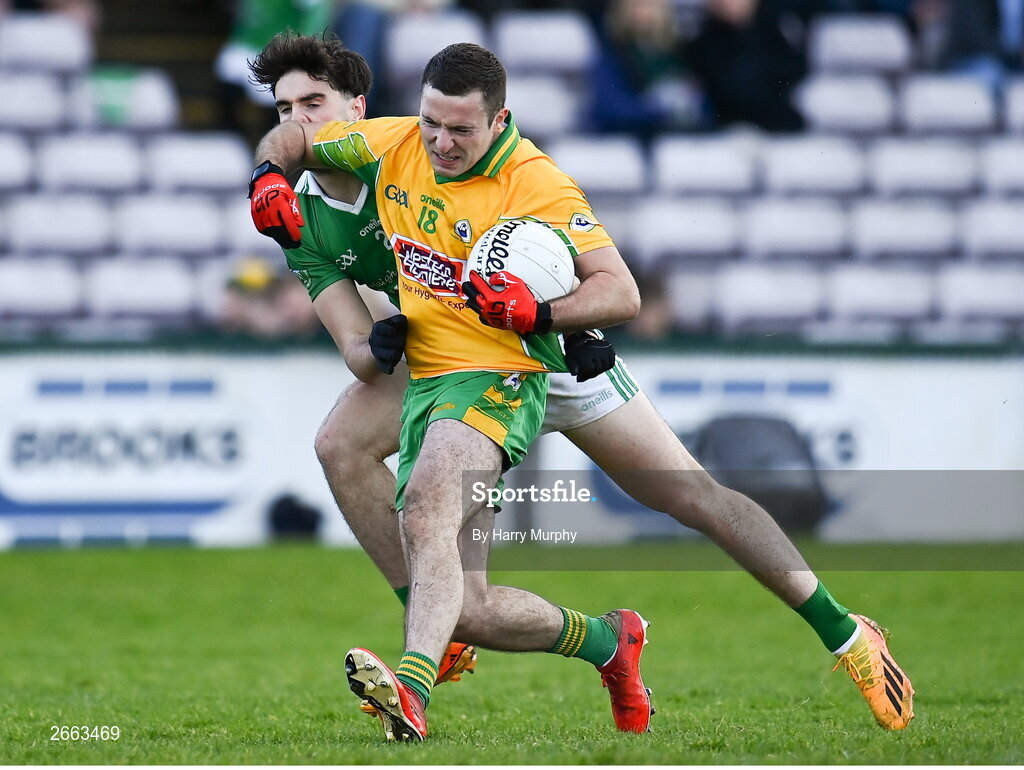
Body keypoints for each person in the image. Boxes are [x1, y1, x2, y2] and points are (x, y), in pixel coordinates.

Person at [247, 36, 915, 740]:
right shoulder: (372, 152)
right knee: (346, 453)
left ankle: (846, 633)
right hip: (454, 363)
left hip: (557, 353)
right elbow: (288, 149)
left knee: (694, 497)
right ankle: (457, 630)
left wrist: (552, 312)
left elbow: (616, 288)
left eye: (313, 104)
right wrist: (264, 171)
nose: (440, 142)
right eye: (431, 124)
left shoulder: (530, 179)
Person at [249, 34, 653, 742]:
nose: (299, 123)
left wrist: (574, 326)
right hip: (431, 364)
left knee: (682, 493)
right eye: (284, 108)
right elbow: (353, 346)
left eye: (314, 103)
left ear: (358, 110)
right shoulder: (301, 215)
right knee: (459, 588)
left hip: (511, 355)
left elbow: (530, 243)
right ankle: (601, 641)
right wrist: (370, 348)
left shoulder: (407, 150)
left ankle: (412, 686)